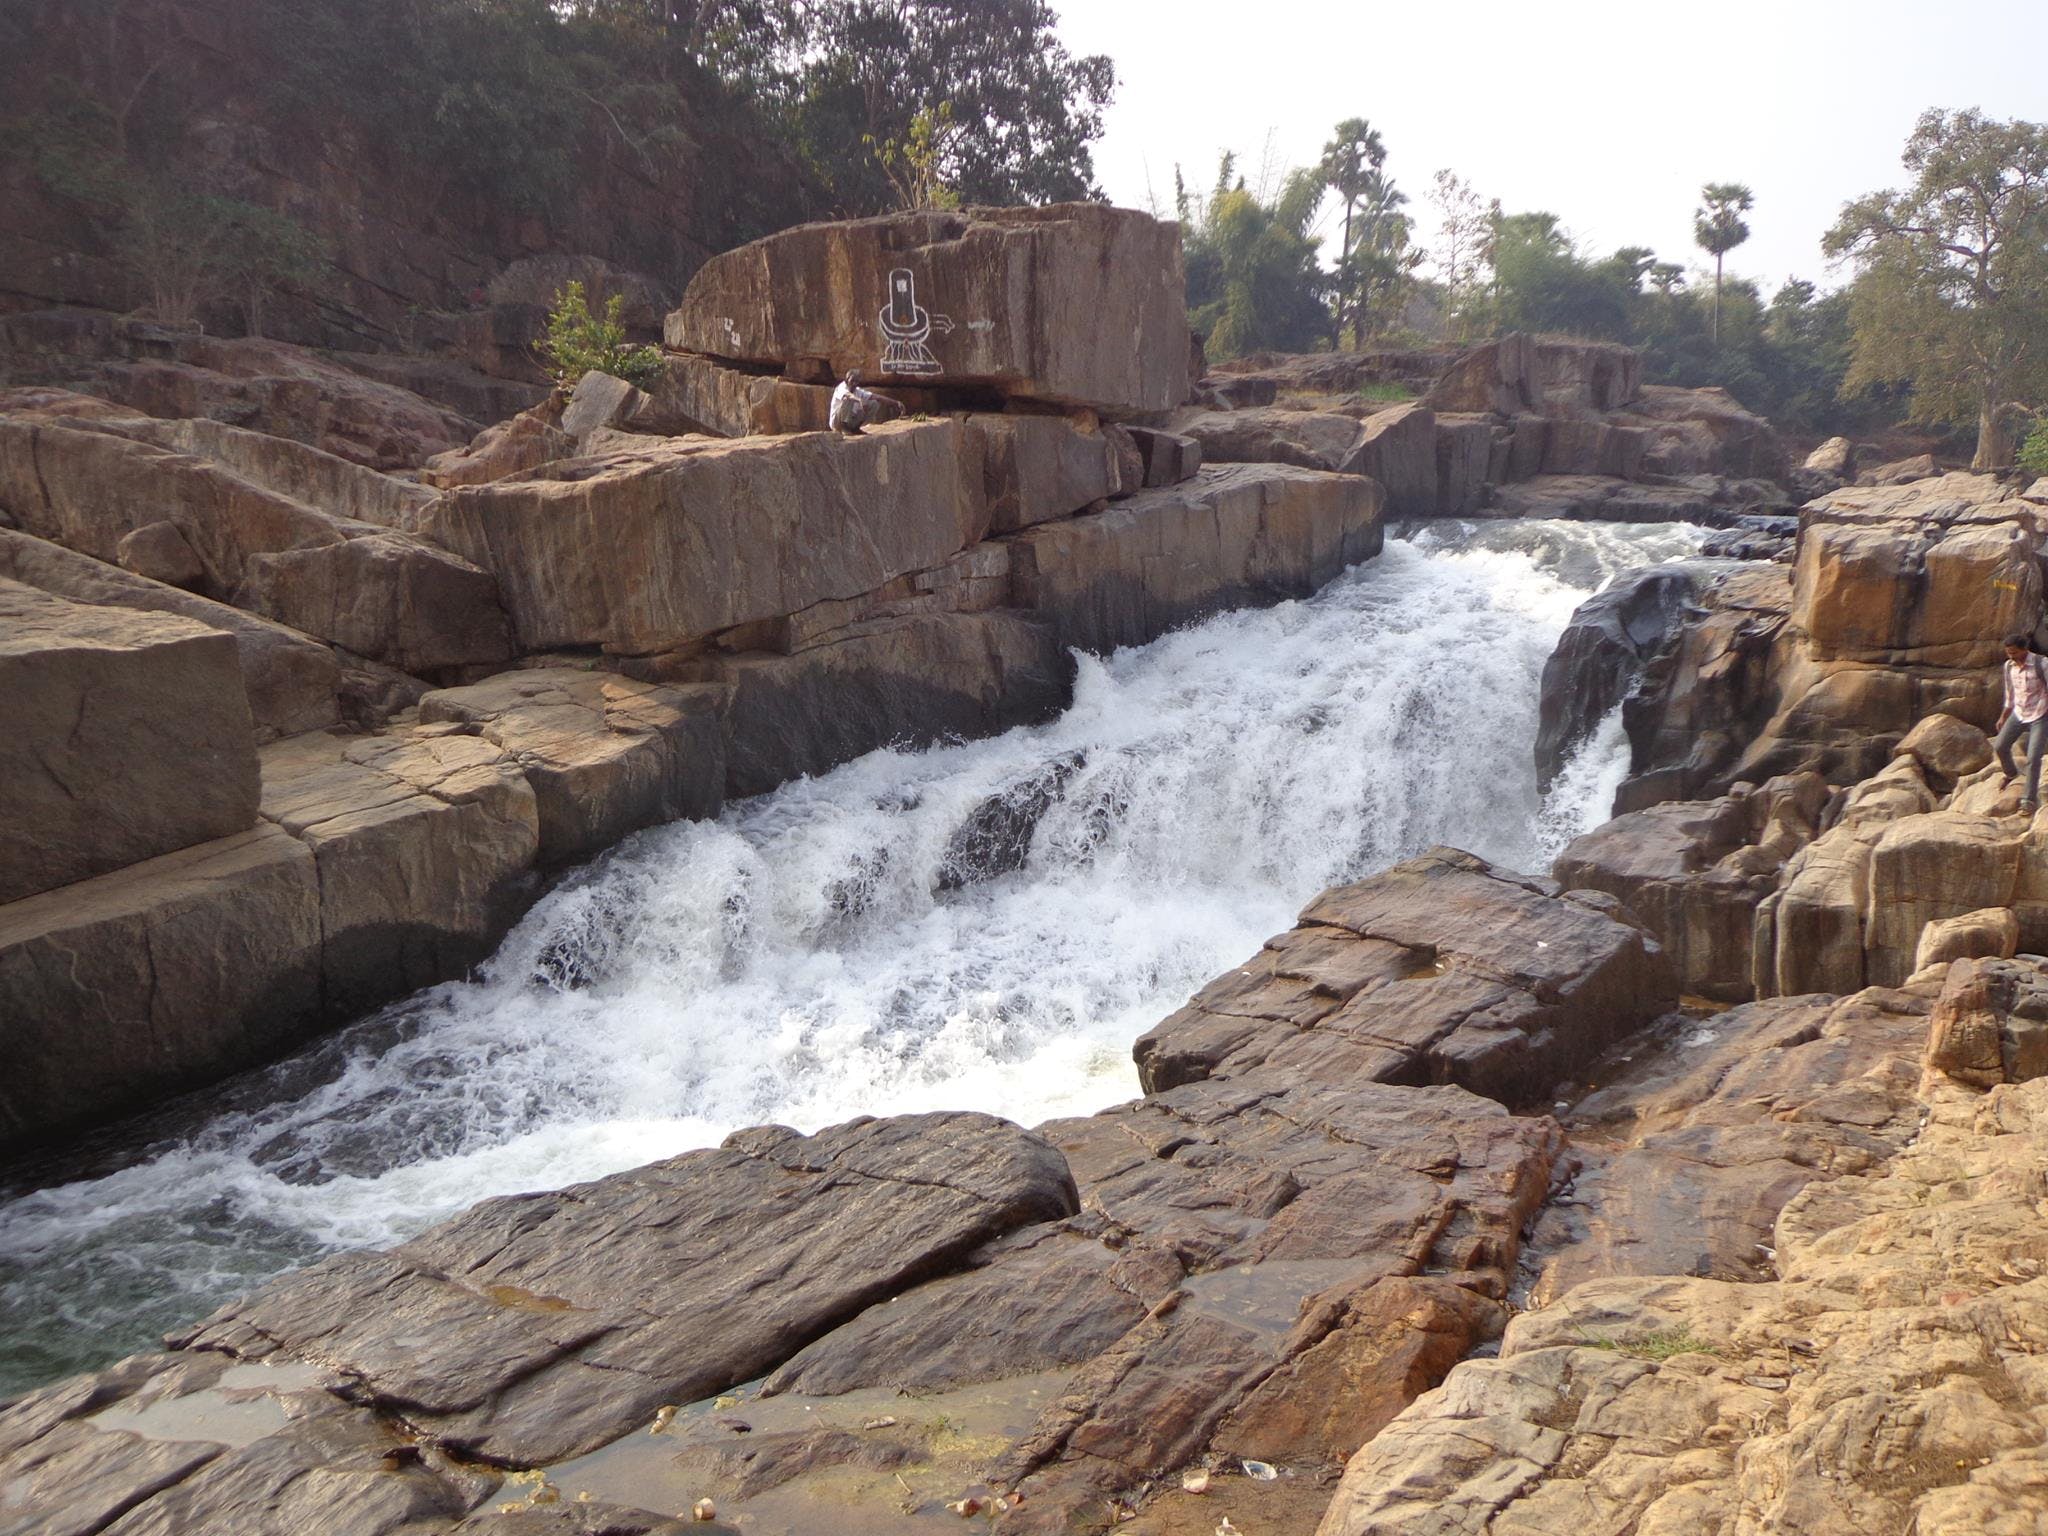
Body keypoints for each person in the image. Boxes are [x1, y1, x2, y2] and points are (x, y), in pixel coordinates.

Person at [1995, 633, 2048, 814]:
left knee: (2033, 758)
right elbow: (2010, 694)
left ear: (2025, 649)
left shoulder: (2042, 664)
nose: (2012, 656)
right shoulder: (2009, 666)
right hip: (2018, 713)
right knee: (2000, 746)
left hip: (2040, 714)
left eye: (2015, 653)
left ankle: (2028, 801)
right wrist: (2003, 716)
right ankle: (2011, 774)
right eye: (2009, 653)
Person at [829, 370, 884, 435]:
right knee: (848, 399)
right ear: (847, 380)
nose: (854, 383)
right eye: (852, 381)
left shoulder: (858, 391)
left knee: (874, 403)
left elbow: (876, 397)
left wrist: (896, 403)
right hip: (837, 422)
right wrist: (859, 400)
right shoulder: (841, 387)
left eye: (856, 381)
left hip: (851, 420)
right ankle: (844, 428)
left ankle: (855, 428)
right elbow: (849, 395)